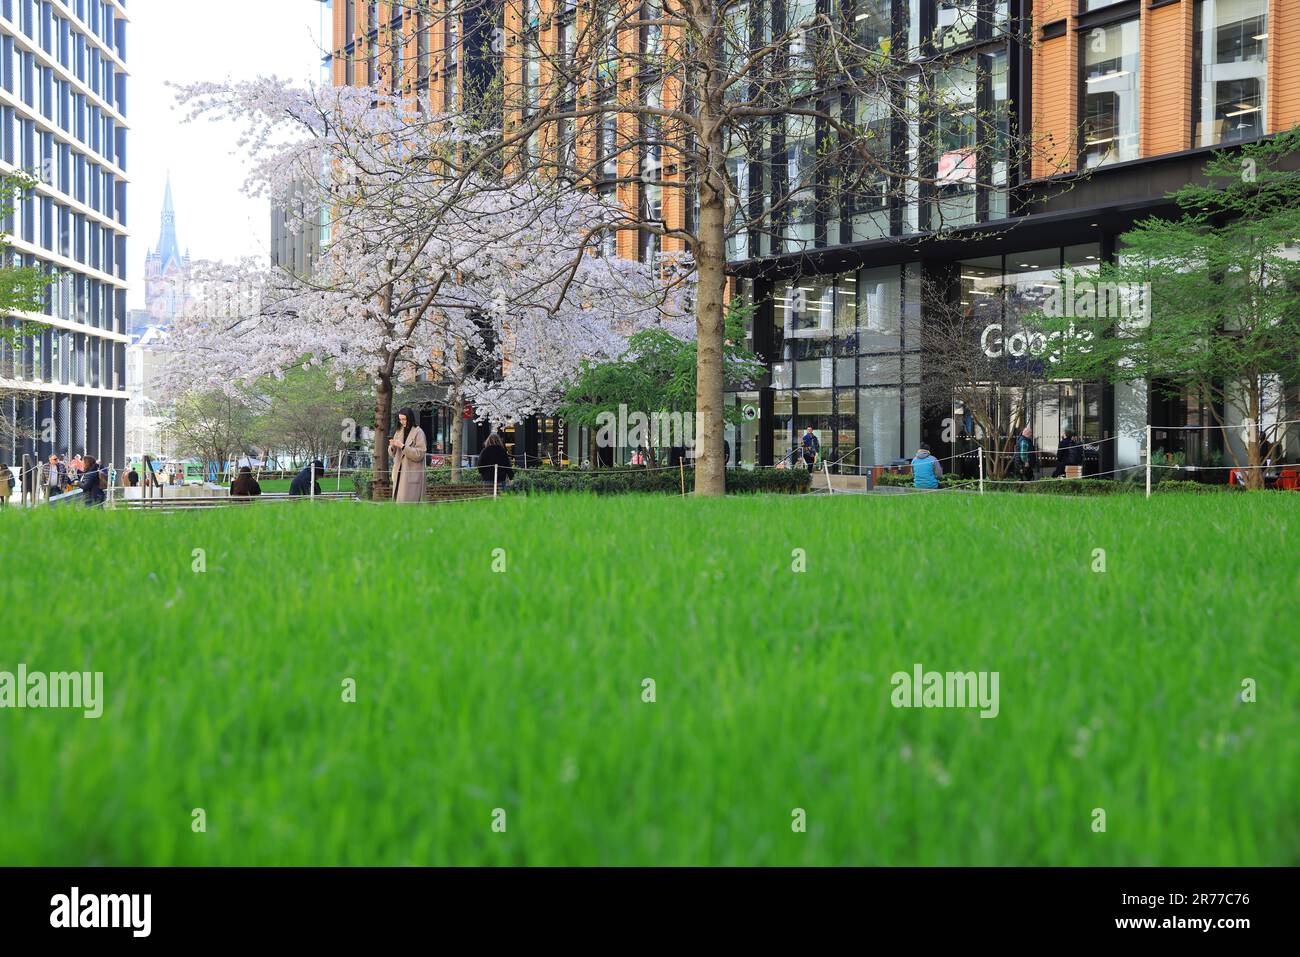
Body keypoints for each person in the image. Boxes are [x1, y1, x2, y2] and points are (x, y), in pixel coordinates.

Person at [388, 407, 428, 503]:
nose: (402, 422)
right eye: (400, 419)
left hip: (411, 474)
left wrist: (403, 446)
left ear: (410, 418)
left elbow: (420, 454)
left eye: (404, 419)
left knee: (410, 505)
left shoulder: (418, 432)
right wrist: (392, 446)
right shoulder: (398, 432)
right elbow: (392, 454)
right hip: (399, 473)